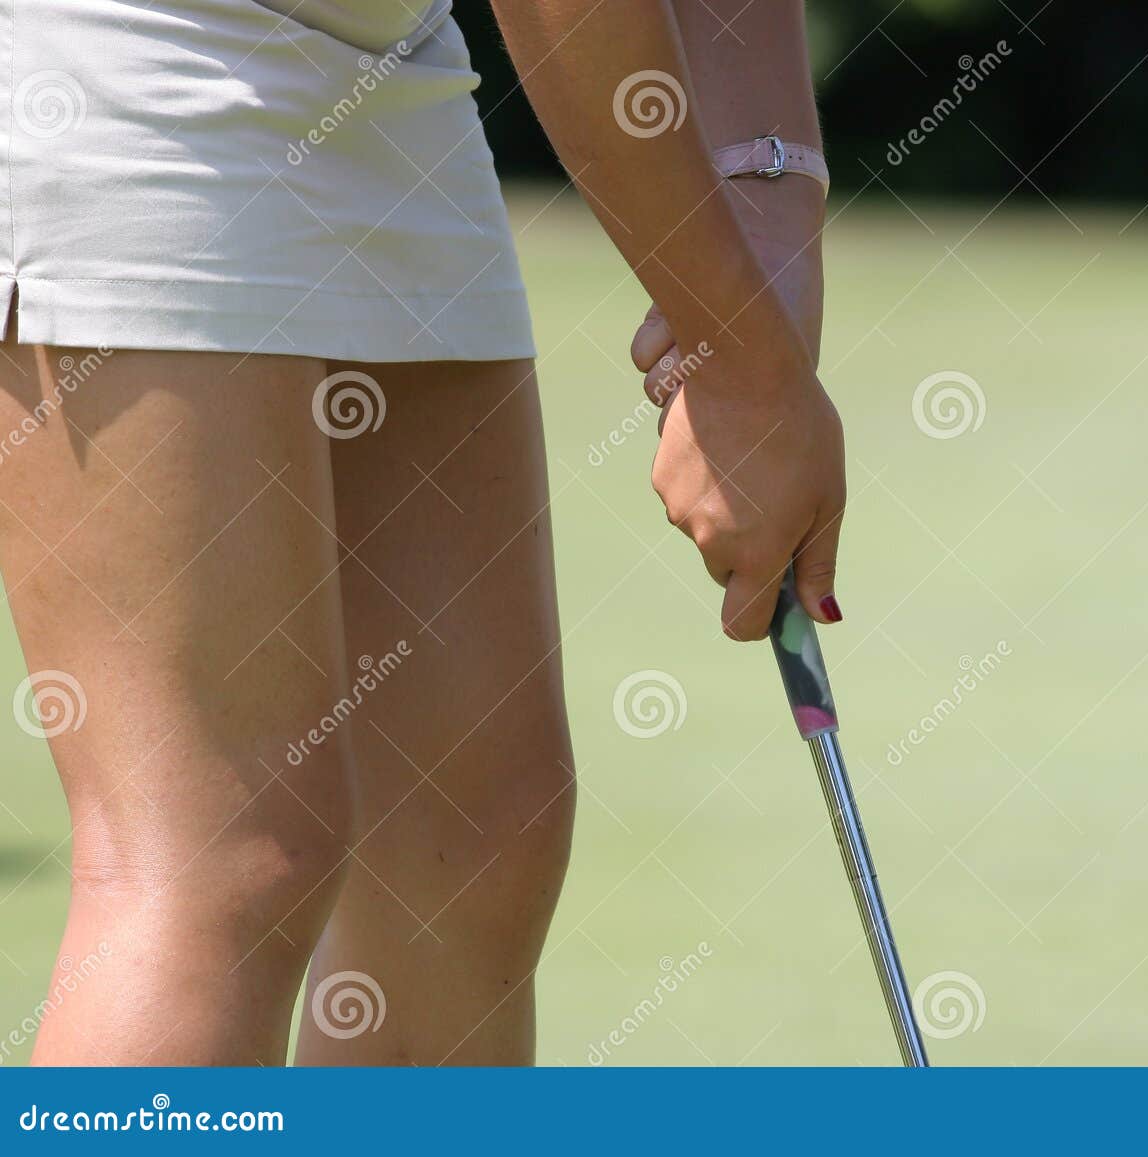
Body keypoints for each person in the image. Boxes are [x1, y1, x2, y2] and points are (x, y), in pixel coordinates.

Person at [0, 0, 845, 1064]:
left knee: (474, 840)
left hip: (387, 60)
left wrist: (768, 208)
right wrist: (741, 364)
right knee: (226, 853)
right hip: (132, 41)